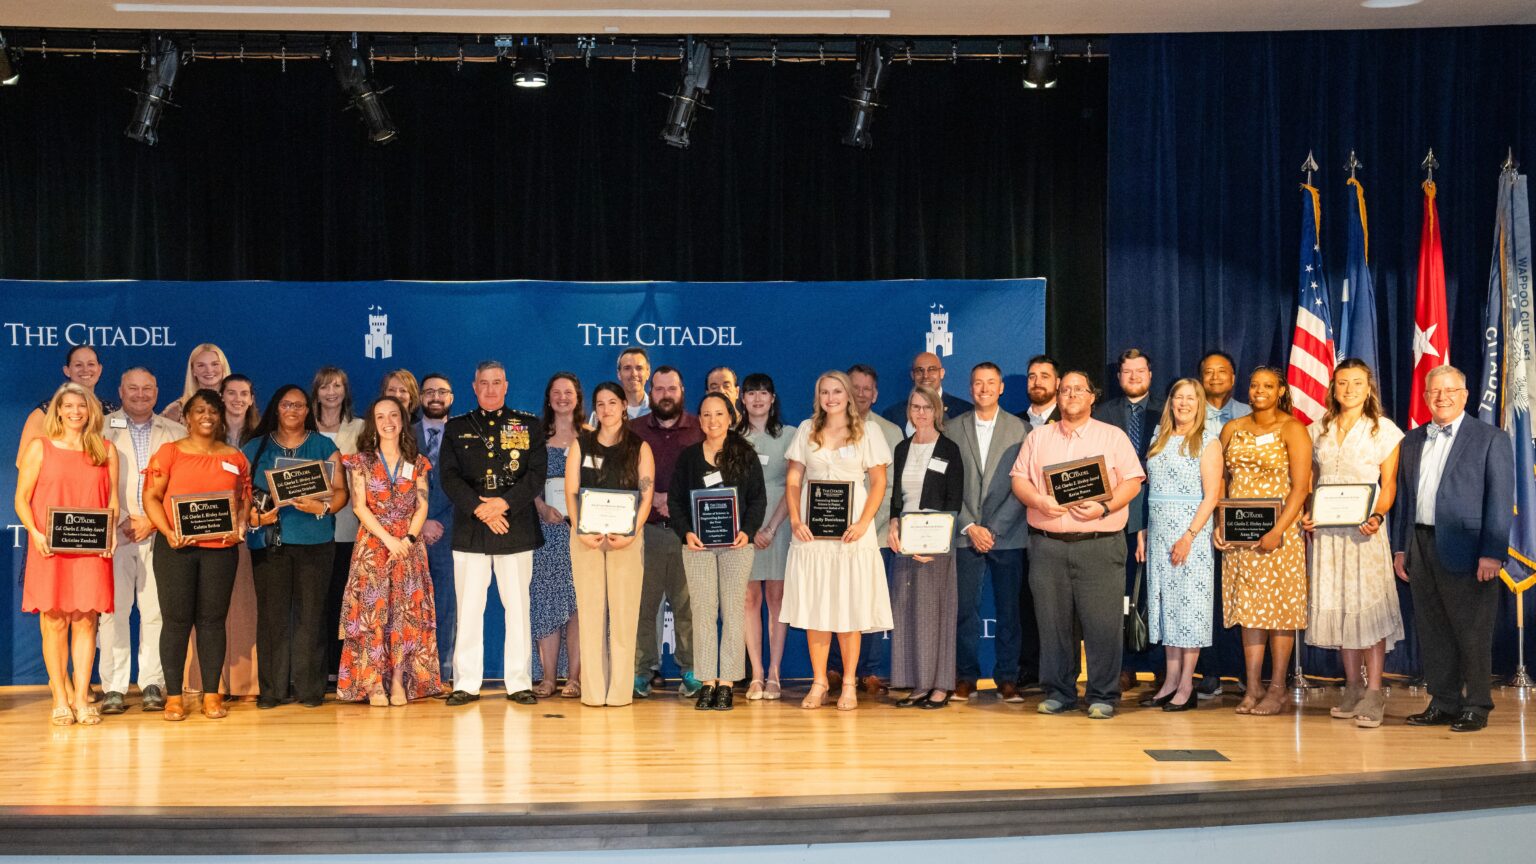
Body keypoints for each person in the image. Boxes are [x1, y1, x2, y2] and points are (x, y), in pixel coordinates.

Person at [1010, 370, 1145, 720]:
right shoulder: (1038, 438)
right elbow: (1019, 481)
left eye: (1078, 389)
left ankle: (1102, 693)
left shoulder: (1112, 436)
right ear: (1057, 396)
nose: (1071, 394)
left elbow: (1132, 481)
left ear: (1091, 397)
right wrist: (1039, 501)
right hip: (1048, 546)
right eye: (1065, 389)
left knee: (1102, 625)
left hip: (1099, 545)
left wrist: (1105, 505)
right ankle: (1060, 691)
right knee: (1053, 624)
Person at [1393, 364, 1512, 733]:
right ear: (1426, 397)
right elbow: (1405, 502)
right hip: (1421, 546)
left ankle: (1477, 704)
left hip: (1469, 550)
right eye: (1434, 392)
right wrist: (1401, 549)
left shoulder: (1490, 438)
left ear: (1465, 395)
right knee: (1433, 630)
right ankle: (1444, 701)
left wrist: (1492, 552)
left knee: (1472, 631)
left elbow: (1500, 498)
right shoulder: (1412, 440)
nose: (1441, 397)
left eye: (1449, 391)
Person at [782, 370, 894, 711]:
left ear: (848, 395)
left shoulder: (869, 431)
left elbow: (878, 483)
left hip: (851, 539)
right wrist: (796, 520)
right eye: (824, 392)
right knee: (817, 612)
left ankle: (848, 684)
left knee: (849, 609)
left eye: (837, 391)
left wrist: (863, 524)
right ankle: (818, 683)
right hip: (813, 538)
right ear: (818, 397)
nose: (831, 398)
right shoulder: (805, 429)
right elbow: (792, 481)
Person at [437, 360, 547, 706]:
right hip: (472, 528)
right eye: (483, 383)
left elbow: (534, 475)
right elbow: (449, 477)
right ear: (473, 387)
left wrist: (502, 505)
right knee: (468, 608)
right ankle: (467, 682)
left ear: (506, 385)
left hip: (514, 526)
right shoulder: (456, 428)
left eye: (496, 382)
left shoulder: (528, 425)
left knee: (518, 607)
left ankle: (518, 682)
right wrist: (481, 509)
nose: (489, 389)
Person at [1302, 360, 1404, 728]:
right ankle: (1352, 688)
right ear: (1333, 387)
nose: (1349, 389)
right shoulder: (1318, 429)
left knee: (1368, 609)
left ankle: (1374, 692)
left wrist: (1377, 516)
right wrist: (1307, 512)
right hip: (1329, 536)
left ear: (1368, 388)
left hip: (1366, 533)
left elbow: (1389, 484)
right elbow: (1310, 481)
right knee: (1343, 607)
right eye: (1342, 382)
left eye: (1357, 383)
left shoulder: (1383, 430)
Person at [141, 388, 249, 721]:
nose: (207, 416)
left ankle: (212, 695)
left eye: (213, 411)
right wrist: (170, 532)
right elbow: (151, 498)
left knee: (212, 623)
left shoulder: (234, 457)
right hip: (175, 550)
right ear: (187, 418)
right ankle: (174, 696)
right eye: (200, 410)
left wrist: (241, 526)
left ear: (220, 417)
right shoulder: (169, 453)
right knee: (175, 623)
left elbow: (243, 499)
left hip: (220, 551)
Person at [15, 384, 119, 726]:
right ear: (57, 410)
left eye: (82, 406)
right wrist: (36, 532)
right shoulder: (39, 447)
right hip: (48, 547)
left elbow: (112, 502)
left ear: (91, 411)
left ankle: (81, 696)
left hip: (91, 548)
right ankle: (59, 696)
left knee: (86, 621)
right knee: (55, 621)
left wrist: (110, 534)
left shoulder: (106, 450)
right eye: (68, 406)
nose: (75, 411)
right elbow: (22, 499)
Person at [1214, 366, 1311, 716]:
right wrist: (1220, 524)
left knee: (1279, 613)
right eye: (1255, 385)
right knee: (1249, 612)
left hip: (1280, 537)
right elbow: (1220, 478)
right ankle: (1253, 686)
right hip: (1240, 537)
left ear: (1280, 390)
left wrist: (1277, 530)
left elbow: (1300, 488)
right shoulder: (1233, 428)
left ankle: (1278, 687)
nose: (1259, 391)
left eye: (1268, 386)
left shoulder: (1292, 428)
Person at [244, 385, 348, 709]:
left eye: (300, 405)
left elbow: (341, 492)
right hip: (270, 543)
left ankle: (310, 688)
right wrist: (254, 516)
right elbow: (240, 497)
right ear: (277, 408)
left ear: (308, 411)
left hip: (315, 542)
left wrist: (323, 508)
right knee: (272, 617)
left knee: (313, 616)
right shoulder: (253, 449)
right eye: (287, 404)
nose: (293, 410)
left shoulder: (324, 446)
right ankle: (273, 690)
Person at [337, 396, 443, 706]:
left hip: (408, 549)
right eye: (381, 416)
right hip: (374, 547)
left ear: (402, 419)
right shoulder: (361, 462)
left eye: (393, 414)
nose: (388, 421)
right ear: (373, 422)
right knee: (372, 615)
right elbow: (359, 506)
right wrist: (387, 539)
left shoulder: (418, 461)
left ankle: (398, 681)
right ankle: (372, 684)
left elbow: (422, 505)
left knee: (404, 615)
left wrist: (408, 539)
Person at [670, 392, 767, 711]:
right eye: (706, 415)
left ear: (730, 418)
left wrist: (747, 531)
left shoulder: (745, 454)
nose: (712, 421)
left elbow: (757, 500)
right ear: (699, 420)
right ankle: (707, 681)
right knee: (703, 611)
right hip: (697, 547)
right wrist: (686, 532)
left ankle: (727, 682)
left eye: (718, 414)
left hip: (736, 546)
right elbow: (676, 502)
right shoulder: (688, 458)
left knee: (734, 611)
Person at [99, 367, 186, 715]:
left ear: (156, 391)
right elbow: (95, 483)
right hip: (115, 534)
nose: (140, 394)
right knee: (113, 614)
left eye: (147, 388)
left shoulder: (177, 433)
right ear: (120, 391)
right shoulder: (100, 429)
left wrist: (152, 521)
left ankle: (153, 682)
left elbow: (180, 488)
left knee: (156, 613)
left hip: (158, 532)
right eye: (132, 388)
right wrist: (120, 520)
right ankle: (115, 687)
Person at [566, 382, 655, 707]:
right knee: (590, 615)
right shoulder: (581, 444)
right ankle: (593, 691)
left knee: (623, 615)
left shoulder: (639, 447)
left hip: (627, 540)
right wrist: (580, 529)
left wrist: (633, 532)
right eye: (600, 403)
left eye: (612, 403)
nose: (606, 409)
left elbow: (646, 495)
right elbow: (572, 491)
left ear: (623, 407)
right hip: (586, 539)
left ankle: (619, 692)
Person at [1140, 378, 1222, 711]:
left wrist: (1188, 536)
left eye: (1191, 398)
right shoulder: (1158, 438)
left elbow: (1212, 495)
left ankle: (1187, 684)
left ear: (1199, 404)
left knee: (1189, 610)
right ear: (1170, 402)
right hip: (1159, 534)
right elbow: (1151, 492)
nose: (1184, 403)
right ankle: (1170, 681)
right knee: (1167, 609)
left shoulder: (1207, 440)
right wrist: (1145, 531)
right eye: (1179, 397)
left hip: (1191, 536)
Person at [951, 362, 1031, 702]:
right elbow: (948, 487)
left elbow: (1025, 484)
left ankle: (1008, 677)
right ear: (970, 388)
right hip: (964, 534)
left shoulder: (1023, 430)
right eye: (977, 383)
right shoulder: (951, 429)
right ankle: (965, 676)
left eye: (990, 383)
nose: (984, 389)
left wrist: (993, 529)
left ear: (1001, 388)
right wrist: (970, 525)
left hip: (1008, 535)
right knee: (964, 610)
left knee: (1009, 611)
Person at [888, 385, 964, 709]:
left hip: (936, 542)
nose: (921, 413)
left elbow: (954, 501)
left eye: (927, 407)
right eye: (915, 406)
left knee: (937, 615)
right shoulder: (902, 449)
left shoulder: (949, 450)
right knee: (906, 613)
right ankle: (917, 684)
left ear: (937, 411)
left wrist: (934, 540)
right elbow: (895, 498)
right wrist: (893, 524)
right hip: (905, 539)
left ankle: (939, 686)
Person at [630, 365, 703, 698]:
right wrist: (650, 498)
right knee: (643, 607)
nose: (665, 395)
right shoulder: (632, 431)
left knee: (688, 607)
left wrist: (674, 501)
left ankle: (691, 670)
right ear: (651, 391)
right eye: (658, 389)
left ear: (682, 391)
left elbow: (711, 479)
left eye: (671, 388)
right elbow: (620, 478)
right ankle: (641, 671)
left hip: (687, 533)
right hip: (644, 532)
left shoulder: (701, 429)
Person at [1098, 349, 1166, 690]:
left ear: (1150, 375)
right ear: (1119, 376)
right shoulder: (1103, 413)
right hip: (1115, 516)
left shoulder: (1168, 410)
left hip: (1161, 516)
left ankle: (1159, 665)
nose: (1134, 377)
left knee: (1155, 593)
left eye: (1141, 371)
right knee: (1120, 595)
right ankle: (1123, 666)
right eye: (1127, 371)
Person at [842, 364, 905, 696]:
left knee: (868, 602)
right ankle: (838, 669)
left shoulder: (890, 431)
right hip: (837, 534)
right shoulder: (830, 427)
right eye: (855, 387)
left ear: (876, 394)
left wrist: (867, 521)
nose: (861, 394)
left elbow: (893, 486)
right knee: (838, 601)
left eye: (867, 389)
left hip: (876, 531)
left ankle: (868, 671)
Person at [311, 366, 367, 684]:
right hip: (308, 528)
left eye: (337, 386)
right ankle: (316, 670)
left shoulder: (360, 429)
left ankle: (341, 669)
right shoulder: (303, 428)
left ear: (346, 391)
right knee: (314, 602)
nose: (331, 392)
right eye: (324, 386)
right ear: (315, 392)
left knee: (342, 601)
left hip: (349, 529)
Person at [738, 373, 791, 701]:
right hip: (744, 527)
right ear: (742, 399)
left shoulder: (790, 435)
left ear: (772, 399)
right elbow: (727, 489)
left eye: (763, 393)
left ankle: (775, 674)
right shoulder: (733, 437)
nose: (757, 399)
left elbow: (794, 485)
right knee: (748, 600)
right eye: (751, 393)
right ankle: (756, 673)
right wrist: (750, 528)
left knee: (776, 600)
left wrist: (771, 527)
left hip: (780, 526)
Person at [207, 373, 260, 701]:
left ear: (252, 399)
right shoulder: (206, 435)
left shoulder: (263, 436)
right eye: (231, 393)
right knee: (213, 608)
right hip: (212, 530)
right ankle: (215, 683)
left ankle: (246, 684)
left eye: (245, 393)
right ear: (221, 397)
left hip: (253, 532)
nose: (238, 399)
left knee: (246, 607)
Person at [531, 373, 583, 698]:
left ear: (578, 397)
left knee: (580, 606)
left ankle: (575, 678)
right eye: (556, 392)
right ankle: (549, 678)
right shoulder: (535, 439)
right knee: (547, 604)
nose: (563, 397)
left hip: (582, 536)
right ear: (549, 398)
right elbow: (525, 484)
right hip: (547, 534)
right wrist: (540, 508)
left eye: (569, 392)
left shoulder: (591, 437)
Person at [414, 372, 457, 683]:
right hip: (409, 533)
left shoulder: (465, 435)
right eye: (429, 392)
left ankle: (440, 673)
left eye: (442, 391)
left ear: (451, 398)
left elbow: (471, 486)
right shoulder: (404, 434)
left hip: (450, 531)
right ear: (420, 398)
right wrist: (420, 522)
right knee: (409, 605)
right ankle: (409, 672)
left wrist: (440, 521)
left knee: (444, 606)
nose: (435, 397)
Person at [16, 345, 120, 468]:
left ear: (99, 369)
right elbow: (23, 462)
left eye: (91, 364)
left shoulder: (112, 411)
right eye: (78, 365)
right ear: (67, 370)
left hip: (100, 485)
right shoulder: (46, 411)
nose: (85, 369)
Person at [881, 351, 972, 433]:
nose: (925, 376)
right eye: (919, 370)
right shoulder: (893, 415)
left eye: (932, 369)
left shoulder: (964, 411)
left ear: (942, 373)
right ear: (912, 375)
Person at [162, 343, 231, 424]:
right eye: (201, 365)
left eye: (215, 364)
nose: (209, 370)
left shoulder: (237, 405)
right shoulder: (176, 410)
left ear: (223, 367)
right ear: (193, 371)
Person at [1201, 350, 1251, 427]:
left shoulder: (1247, 413)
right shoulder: (1189, 412)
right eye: (1209, 372)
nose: (1215, 377)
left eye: (1221, 371)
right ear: (1200, 379)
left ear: (1233, 379)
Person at [1018, 354, 1062, 430]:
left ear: (1057, 383)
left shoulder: (1068, 420)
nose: (1037, 382)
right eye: (1032, 377)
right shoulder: (1013, 422)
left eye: (1044, 377)